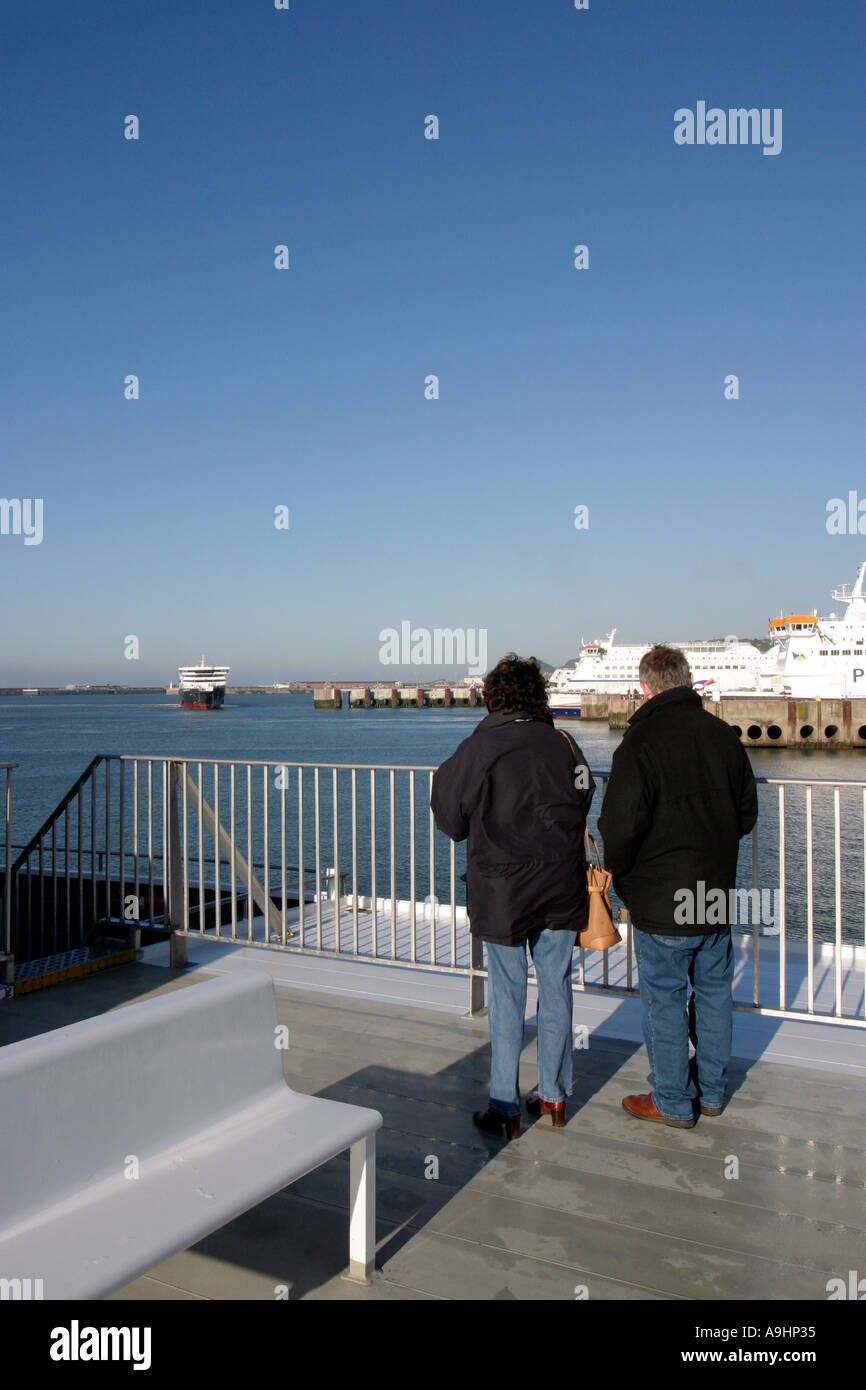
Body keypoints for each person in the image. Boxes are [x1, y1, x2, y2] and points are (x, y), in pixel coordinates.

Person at [430, 655, 595, 1138]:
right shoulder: (565, 743)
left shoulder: (480, 747)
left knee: (506, 994)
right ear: (539, 696)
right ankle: (554, 1096)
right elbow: (583, 797)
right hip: (560, 884)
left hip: (502, 889)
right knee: (557, 985)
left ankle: (504, 1107)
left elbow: (450, 818)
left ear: (494, 697)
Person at [598, 645, 758, 1128]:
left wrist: (623, 879)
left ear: (645, 688)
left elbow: (619, 827)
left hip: (661, 896)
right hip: (714, 893)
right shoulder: (723, 737)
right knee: (713, 994)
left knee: (664, 997)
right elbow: (746, 814)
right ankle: (711, 1092)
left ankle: (671, 1099)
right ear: (688, 680)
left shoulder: (639, 743)